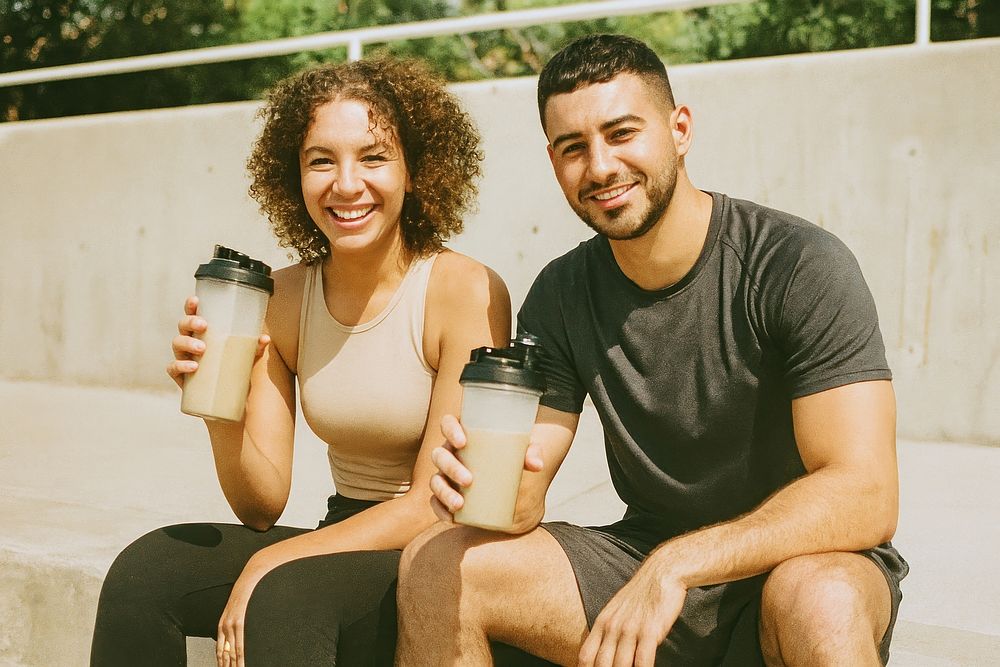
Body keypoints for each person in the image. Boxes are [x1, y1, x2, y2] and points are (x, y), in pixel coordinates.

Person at [396, 33, 908, 666]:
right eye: (573, 147)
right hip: (643, 561)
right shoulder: (561, 293)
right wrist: (482, 487)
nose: (600, 167)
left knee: (820, 600)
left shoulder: (797, 265)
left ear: (679, 129)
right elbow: (527, 487)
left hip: (801, 560)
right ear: (553, 162)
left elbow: (865, 492)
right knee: (438, 561)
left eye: (621, 134)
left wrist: (681, 562)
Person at [90, 55, 511, 666]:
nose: (347, 184)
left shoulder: (463, 291)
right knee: (146, 572)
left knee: (285, 596)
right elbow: (261, 506)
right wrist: (218, 409)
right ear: (295, 177)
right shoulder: (283, 297)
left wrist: (275, 559)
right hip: (339, 539)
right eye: (321, 160)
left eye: (373, 157)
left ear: (415, 170)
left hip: (432, 554)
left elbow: (435, 503)